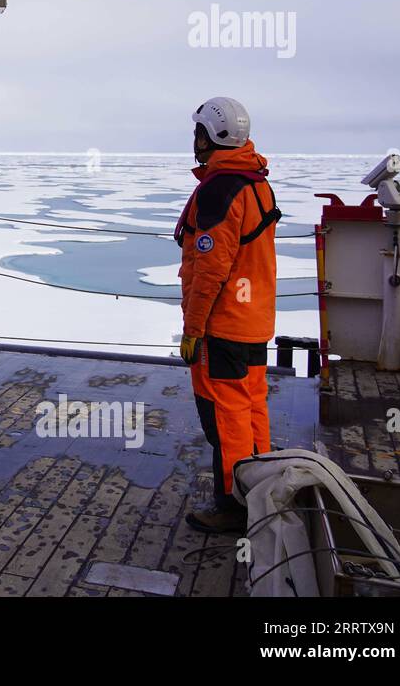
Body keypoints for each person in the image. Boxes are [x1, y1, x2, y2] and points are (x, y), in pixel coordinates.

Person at [175, 97, 281, 533]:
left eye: (199, 132)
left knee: (226, 418)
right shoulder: (255, 183)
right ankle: (262, 490)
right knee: (252, 410)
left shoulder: (220, 191)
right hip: (254, 321)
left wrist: (193, 330)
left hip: (224, 326)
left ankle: (234, 506)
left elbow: (210, 270)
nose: (194, 141)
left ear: (213, 137)